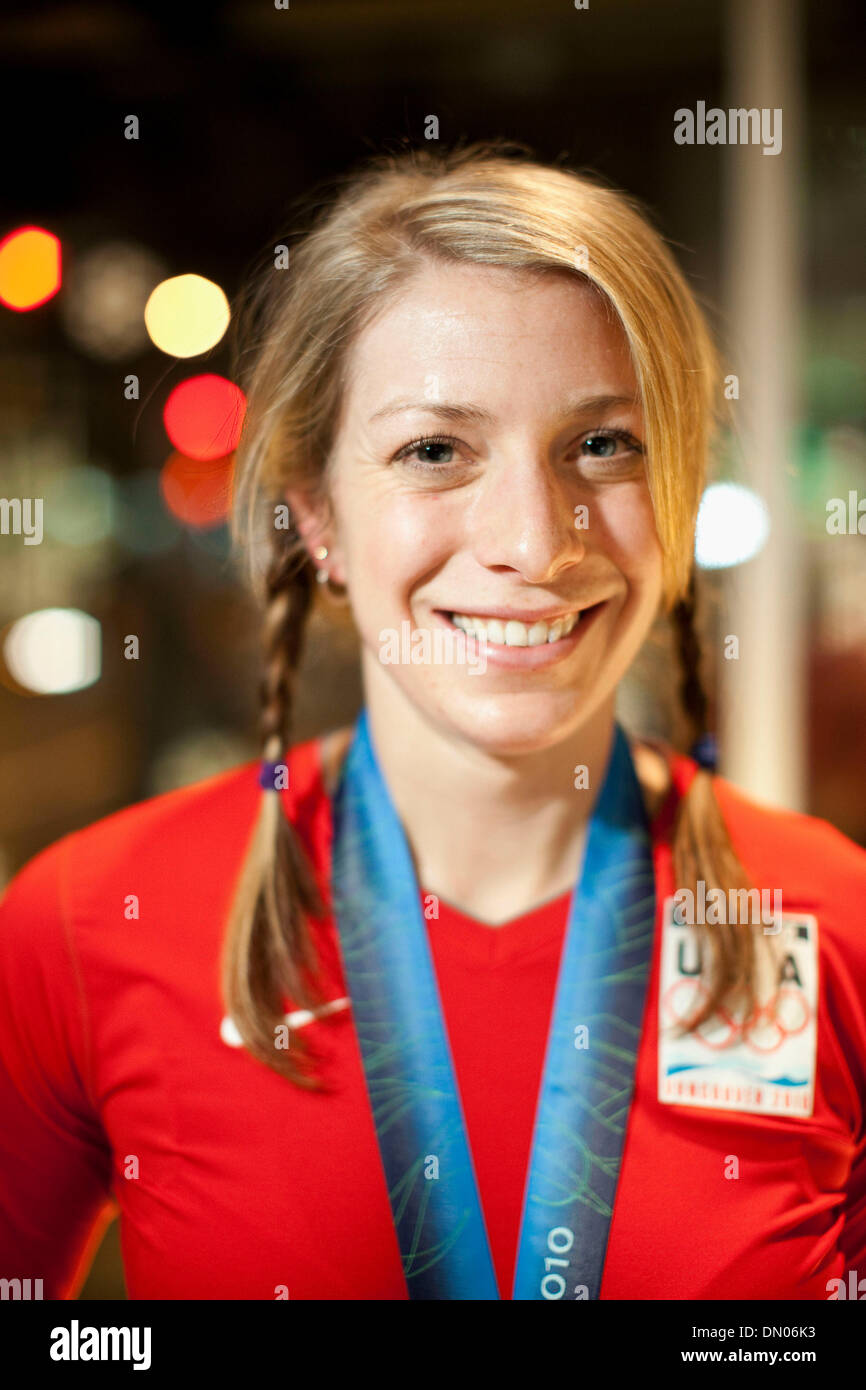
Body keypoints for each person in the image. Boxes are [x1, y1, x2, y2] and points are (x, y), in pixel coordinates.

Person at [1, 145, 864, 1302]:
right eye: (434, 450)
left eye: (601, 443)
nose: (532, 539)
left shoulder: (831, 919)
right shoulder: (86, 924)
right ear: (317, 518)